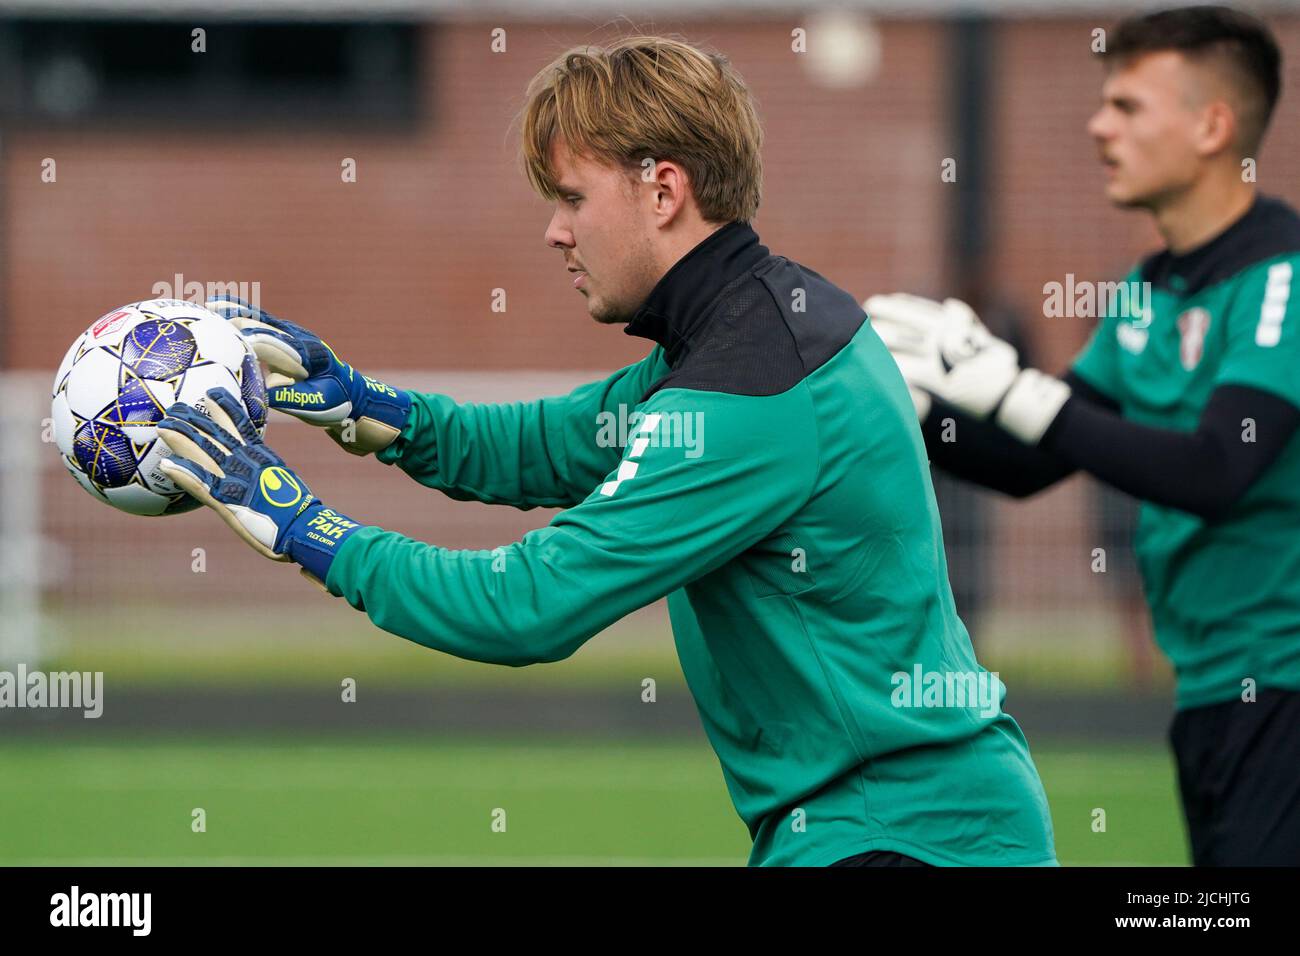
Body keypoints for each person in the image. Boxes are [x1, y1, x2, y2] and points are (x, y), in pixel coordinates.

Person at [157, 35, 1055, 867]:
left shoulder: (749, 391)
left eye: (573, 199)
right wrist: (361, 403)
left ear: (664, 191)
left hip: (903, 838)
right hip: (900, 826)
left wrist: (298, 526)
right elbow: (542, 444)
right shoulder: (751, 326)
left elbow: (525, 606)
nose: (555, 231)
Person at [869, 6, 1300, 865]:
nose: (1099, 125)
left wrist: (1018, 391)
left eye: (1129, 106)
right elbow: (1037, 458)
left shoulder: (1283, 276)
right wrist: (907, 407)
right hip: (1214, 687)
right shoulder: (1147, 287)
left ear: (1214, 125)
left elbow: (1221, 466)